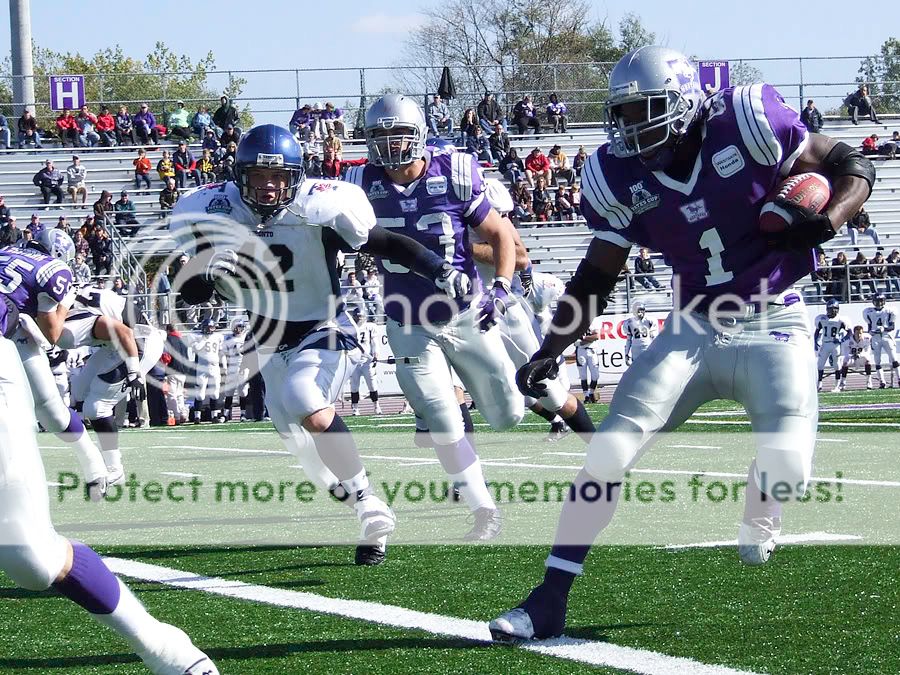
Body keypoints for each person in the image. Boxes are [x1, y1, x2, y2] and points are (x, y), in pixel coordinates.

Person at [490, 45, 874, 642]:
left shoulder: (745, 118)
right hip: (692, 325)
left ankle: (762, 506)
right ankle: (549, 597)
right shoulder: (616, 173)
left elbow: (849, 162)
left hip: (775, 317)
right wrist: (550, 348)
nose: (633, 126)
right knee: (609, 452)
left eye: (648, 108)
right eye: (624, 113)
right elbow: (597, 274)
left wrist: (829, 219)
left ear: (686, 100)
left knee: (790, 468)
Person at [170, 123, 467, 565]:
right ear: (240, 176)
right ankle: (371, 515)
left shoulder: (320, 206)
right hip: (267, 341)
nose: (268, 186)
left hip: (323, 327)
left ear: (296, 175)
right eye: (257, 176)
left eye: (277, 177)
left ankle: (368, 503)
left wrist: (440, 270)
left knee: (303, 396)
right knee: (309, 456)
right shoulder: (214, 211)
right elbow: (189, 295)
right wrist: (207, 269)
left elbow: (385, 245)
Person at [0, 293, 219, 674]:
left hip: (131, 347)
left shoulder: (43, 314)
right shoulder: (57, 317)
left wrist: (134, 372)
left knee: (32, 560)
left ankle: (161, 647)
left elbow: (52, 406)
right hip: (116, 348)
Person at [345, 94, 525, 540]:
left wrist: (501, 286)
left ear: (420, 135)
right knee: (442, 417)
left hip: (466, 313)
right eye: (379, 135)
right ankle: (484, 509)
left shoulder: (454, 171)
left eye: (398, 134)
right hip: (407, 320)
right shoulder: (357, 183)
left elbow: (501, 233)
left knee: (508, 415)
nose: (388, 145)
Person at [348, 307, 382, 415]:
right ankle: (355, 408)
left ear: (364, 317)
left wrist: (376, 354)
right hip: (354, 361)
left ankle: (376, 406)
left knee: (372, 385)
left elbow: (374, 342)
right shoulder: (350, 328)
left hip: (367, 361)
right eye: (357, 316)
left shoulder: (370, 327)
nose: (359, 318)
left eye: (361, 316)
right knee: (354, 386)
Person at [863, 292, 898, 387]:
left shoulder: (889, 310)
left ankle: (899, 379)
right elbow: (869, 326)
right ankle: (882, 381)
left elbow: (892, 326)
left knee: (894, 358)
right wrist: (871, 332)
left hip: (887, 336)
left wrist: (884, 329)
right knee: (877, 361)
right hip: (875, 338)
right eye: (877, 301)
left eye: (881, 301)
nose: (879, 303)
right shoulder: (868, 312)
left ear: (884, 301)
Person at [222, 319, 250, 421]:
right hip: (232, 367)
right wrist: (225, 367)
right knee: (229, 392)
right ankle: (225, 414)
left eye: (241, 327)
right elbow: (223, 355)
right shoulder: (227, 339)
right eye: (238, 327)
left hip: (243, 367)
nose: (239, 330)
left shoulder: (246, 337)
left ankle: (243, 414)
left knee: (243, 392)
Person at [836, 325, 874, 390]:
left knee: (868, 361)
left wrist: (860, 354)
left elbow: (867, 352)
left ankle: (869, 382)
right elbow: (845, 353)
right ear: (854, 333)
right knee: (845, 362)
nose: (859, 335)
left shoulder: (867, 338)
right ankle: (843, 383)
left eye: (860, 333)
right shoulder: (848, 340)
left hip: (861, 357)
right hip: (852, 357)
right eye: (857, 333)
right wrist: (852, 355)